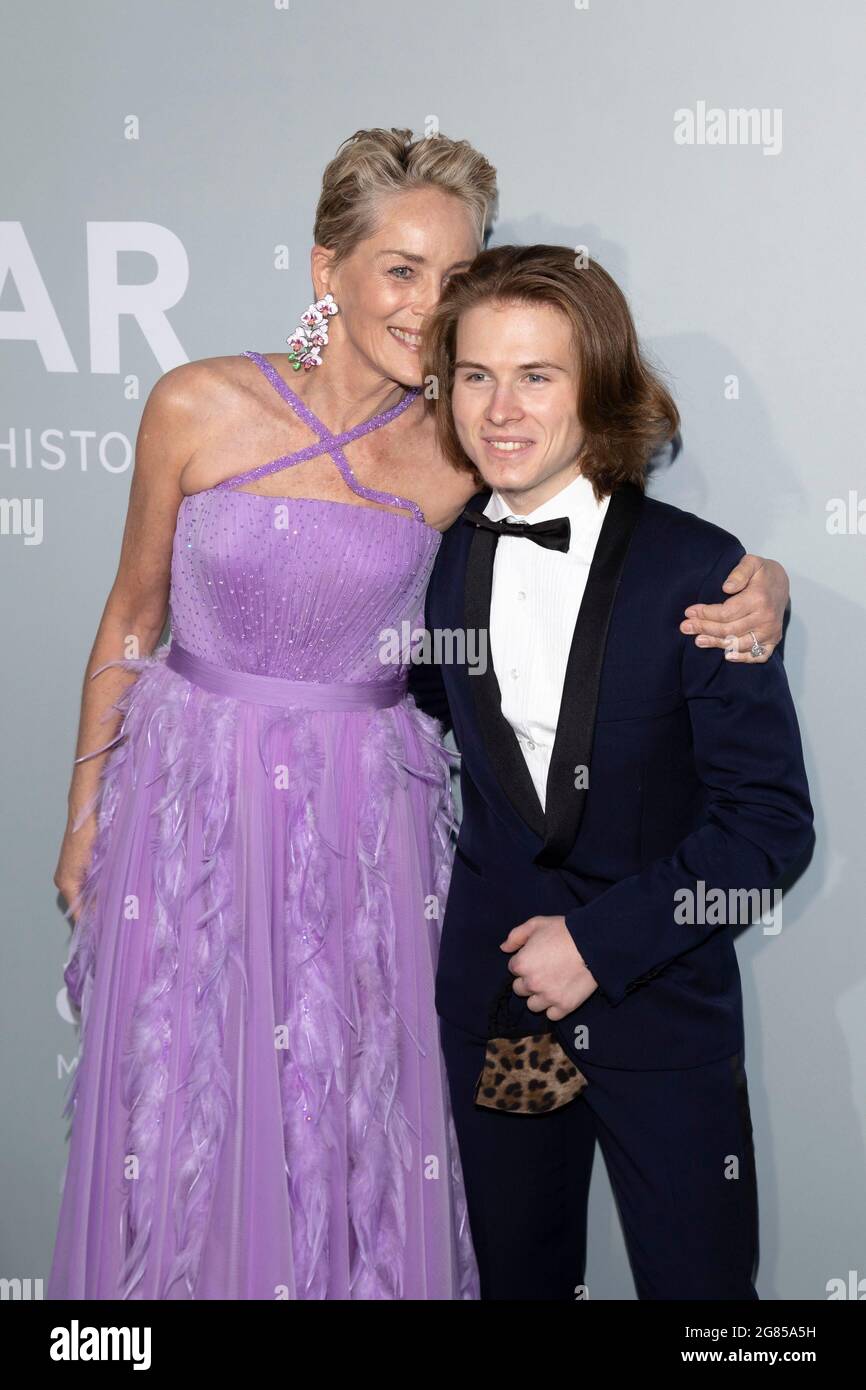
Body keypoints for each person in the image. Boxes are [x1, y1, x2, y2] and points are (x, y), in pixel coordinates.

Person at [48, 129, 790, 1301]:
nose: (427, 306)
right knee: (189, 1122)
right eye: (400, 269)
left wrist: (760, 581)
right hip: (190, 821)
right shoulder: (196, 404)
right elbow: (132, 614)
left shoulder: (459, 457)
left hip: (364, 848)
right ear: (323, 270)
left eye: (454, 277)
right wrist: (86, 812)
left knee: (348, 1141)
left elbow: (597, 529)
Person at [415, 243, 814, 1301]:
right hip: (495, 1009)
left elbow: (768, 830)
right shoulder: (439, 561)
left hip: (657, 1010)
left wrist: (598, 942)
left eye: (535, 375)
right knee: (517, 1282)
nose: (499, 409)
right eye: (474, 374)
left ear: (597, 385)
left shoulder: (703, 572)